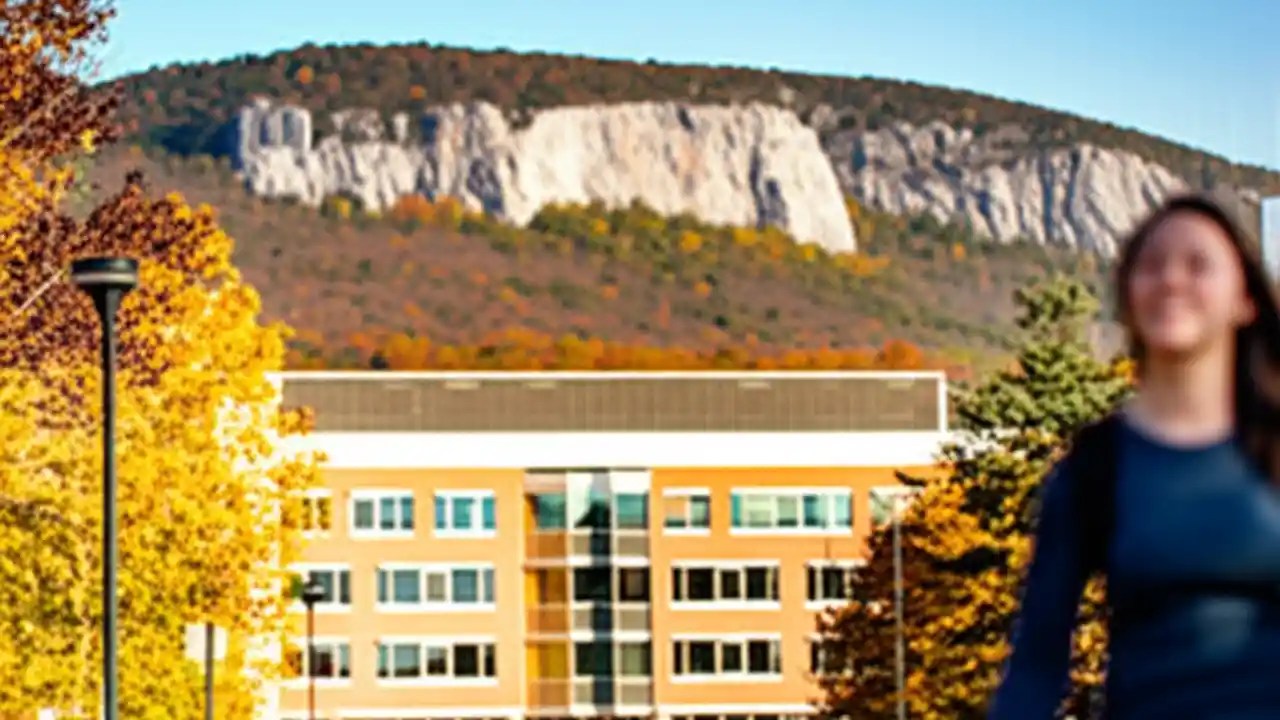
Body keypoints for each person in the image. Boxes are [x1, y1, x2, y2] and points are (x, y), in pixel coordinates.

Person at [988, 193, 1280, 719]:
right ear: (1127, 296)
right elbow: (1035, 664)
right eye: (1151, 265)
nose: (1171, 279)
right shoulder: (1096, 468)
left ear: (1245, 300)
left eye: (1197, 264)